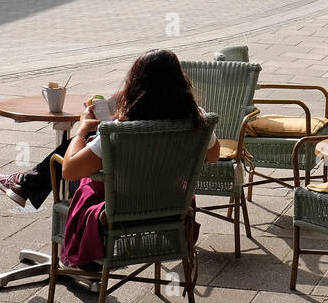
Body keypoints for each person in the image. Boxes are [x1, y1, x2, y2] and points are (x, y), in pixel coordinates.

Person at [58, 50, 220, 270]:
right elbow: (213, 155)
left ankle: (82, 254)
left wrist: (81, 130)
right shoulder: (197, 120)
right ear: (182, 82)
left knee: (79, 174)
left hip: (121, 210)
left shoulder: (118, 131)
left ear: (135, 85)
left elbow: (69, 171)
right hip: (169, 207)